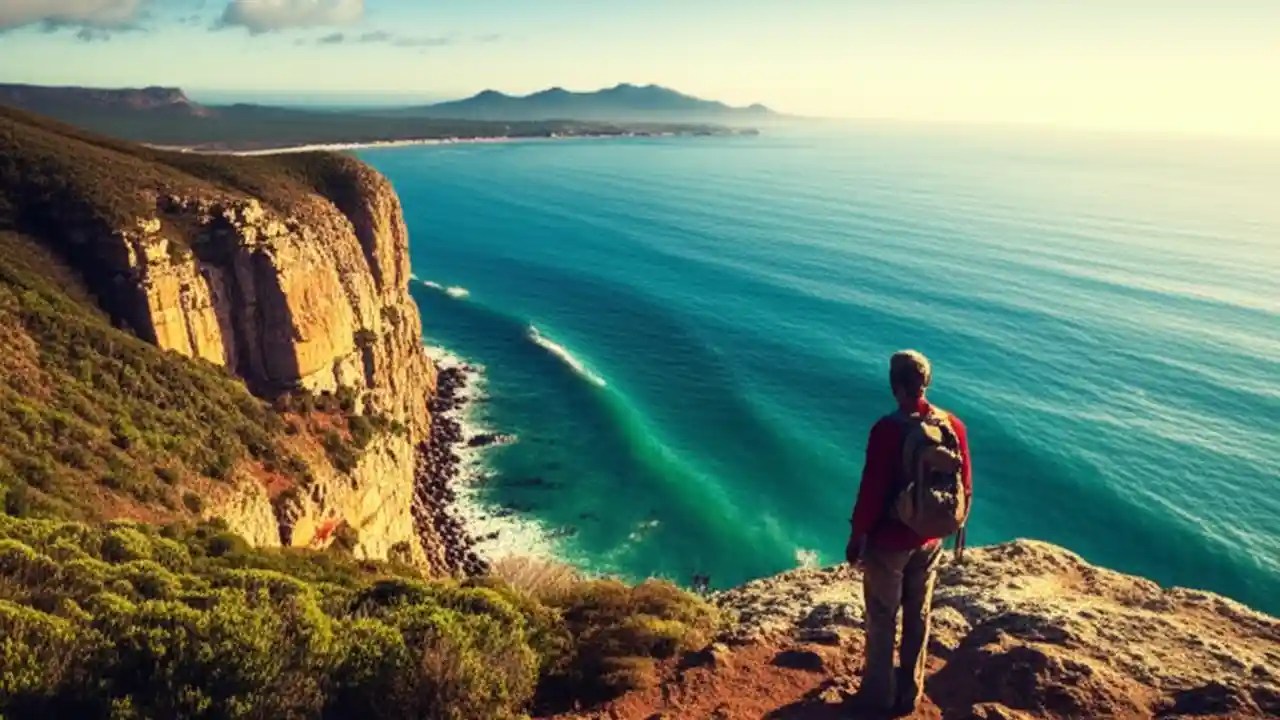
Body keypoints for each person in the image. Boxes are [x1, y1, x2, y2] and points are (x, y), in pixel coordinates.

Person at [847, 350, 972, 716]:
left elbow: (871, 491)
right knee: (918, 615)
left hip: (889, 543)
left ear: (895, 385)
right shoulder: (953, 425)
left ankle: (877, 697)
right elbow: (965, 484)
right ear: (926, 383)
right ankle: (910, 694)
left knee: (882, 618)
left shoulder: (888, 429)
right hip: (931, 540)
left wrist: (858, 537)